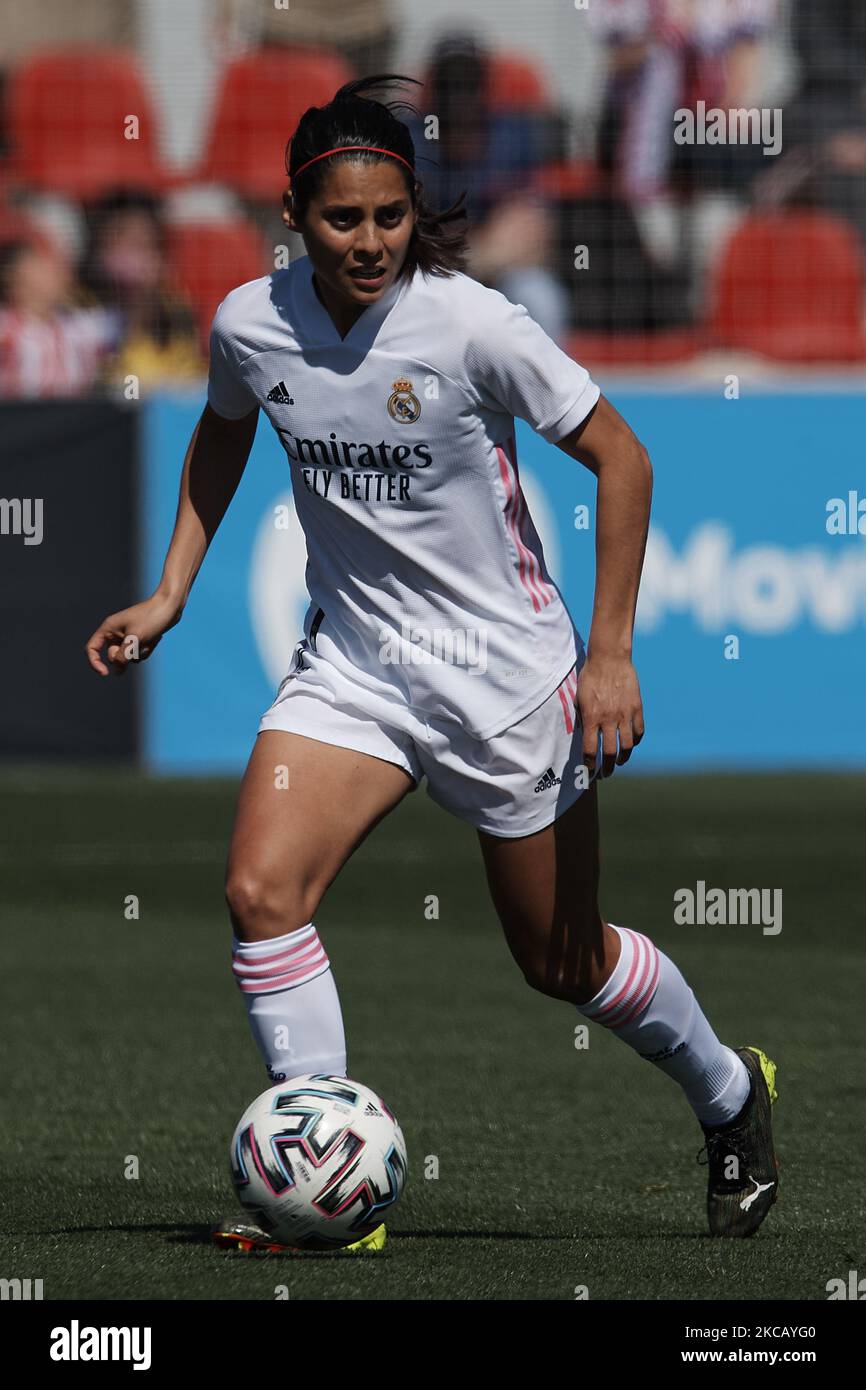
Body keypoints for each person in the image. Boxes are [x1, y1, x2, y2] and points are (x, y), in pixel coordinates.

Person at [84, 75, 780, 1254]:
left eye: (390, 217)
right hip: (354, 668)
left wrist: (607, 655)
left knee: (561, 961)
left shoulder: (473, 325)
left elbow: (624, 460)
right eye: (343, 219)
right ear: (297, 216)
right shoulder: (251, 323)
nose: (369, 242)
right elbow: (222, 425)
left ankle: (727, 1092)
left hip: (506, 681)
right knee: (261, 891)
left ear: (416, 210)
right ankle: (328, 1186)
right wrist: (170, 590)